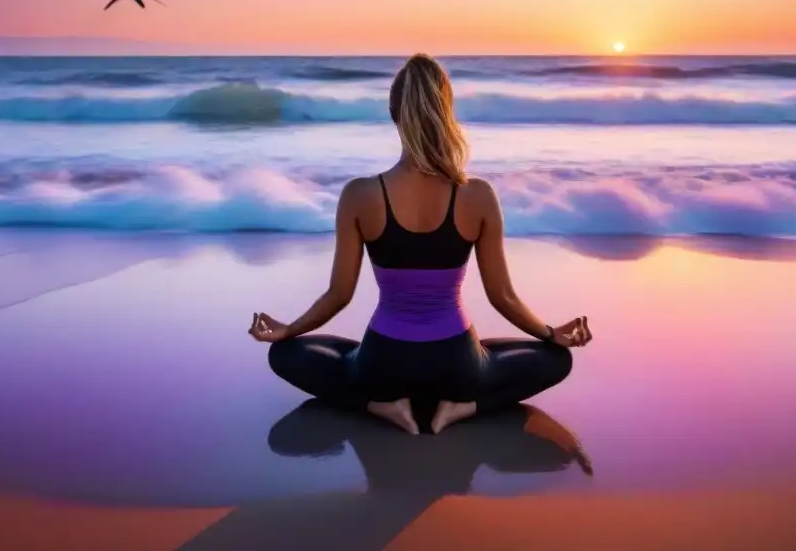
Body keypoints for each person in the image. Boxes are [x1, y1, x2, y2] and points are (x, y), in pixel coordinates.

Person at [249, 53, 592, 435]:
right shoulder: (477, 195)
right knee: (555, 360)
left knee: (288, 354)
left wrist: (288, 330)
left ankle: (380, 405)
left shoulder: (360, 195)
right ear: (447, 111)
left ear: (393, 112)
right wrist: (550, 333)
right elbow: (503, 297)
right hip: (457, 364)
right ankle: (462, 407)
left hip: (384, 361)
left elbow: (339, 295)